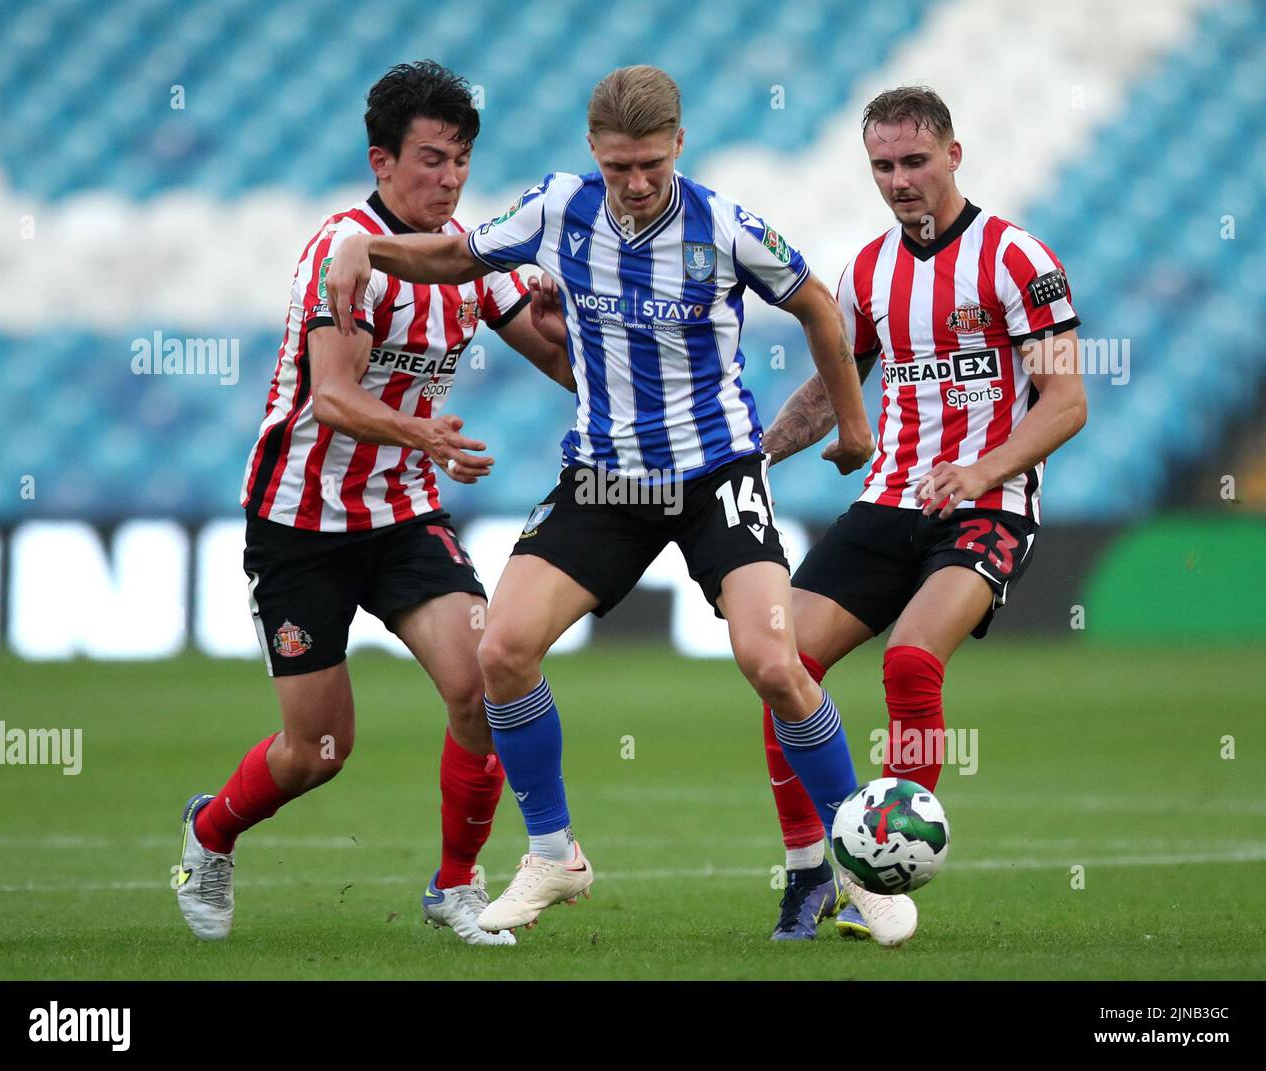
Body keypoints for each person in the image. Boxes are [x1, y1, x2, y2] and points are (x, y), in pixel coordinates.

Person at [321, 65, 917, 941]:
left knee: (773, 662)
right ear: (592, 156)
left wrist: (854, 425)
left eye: (649, 164)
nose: (634, 185)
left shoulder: (723, 223)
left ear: (679, 144)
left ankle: (859, 866)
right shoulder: (559, 207)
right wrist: (358, 245)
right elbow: (455, 254)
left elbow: (820, 309)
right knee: (504, 650)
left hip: (715, 475)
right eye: (616, 168)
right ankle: (555, 855)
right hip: (604, 478)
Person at [173, 61, 573, 948]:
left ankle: (455, 885)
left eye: (463, 160)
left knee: (480, 684)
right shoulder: (342, 249)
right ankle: (210, 831)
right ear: (381, 161)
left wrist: (573, 308)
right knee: (316, 752)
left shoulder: (470, 255)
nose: (451, 179)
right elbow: (334, 397)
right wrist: (426, 434)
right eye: (431, 160)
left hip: (402, 516)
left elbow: (560, 361)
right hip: (299, 522)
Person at [758, 85, 1087, 940]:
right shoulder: (864, 272)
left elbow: (1066, 403)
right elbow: (837, 386)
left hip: (989, 504)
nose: (899, 180)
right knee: (780, 664)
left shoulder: (1019, 259)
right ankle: (806, 874)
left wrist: (981, 466)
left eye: (913, 161)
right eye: (882, 165)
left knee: (909, 661)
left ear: (953, 154)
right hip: (887, 502)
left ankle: (892, 870)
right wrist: (758, 450)